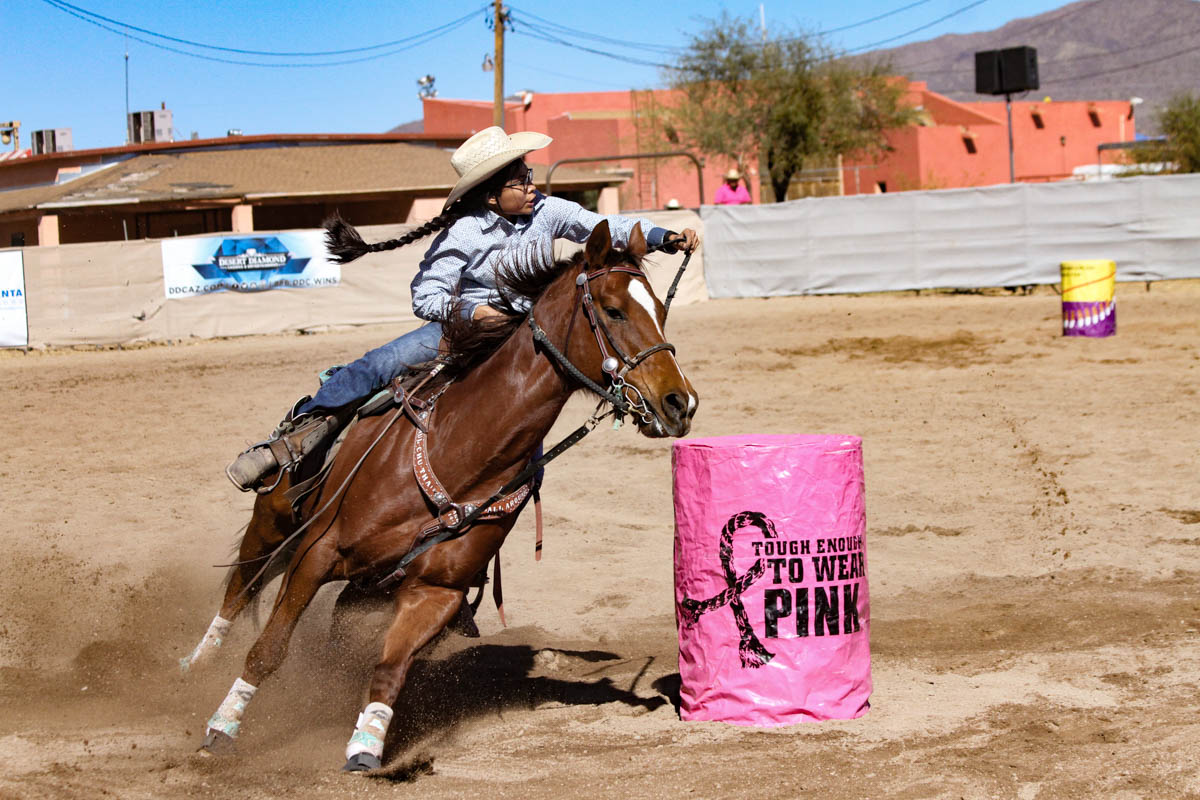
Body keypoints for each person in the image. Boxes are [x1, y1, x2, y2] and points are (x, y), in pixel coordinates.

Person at [227, 126, 699, 490]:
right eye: (519, 180)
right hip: (465, 331)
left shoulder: (549, 212)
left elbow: (604, 225)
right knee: (380, 364)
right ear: (492, 193)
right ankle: (290, 440)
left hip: (528, 333)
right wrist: (471, 313)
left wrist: (664, 237)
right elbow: (425, 296)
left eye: (529, 175)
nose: (530, 185)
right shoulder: (464, 234)